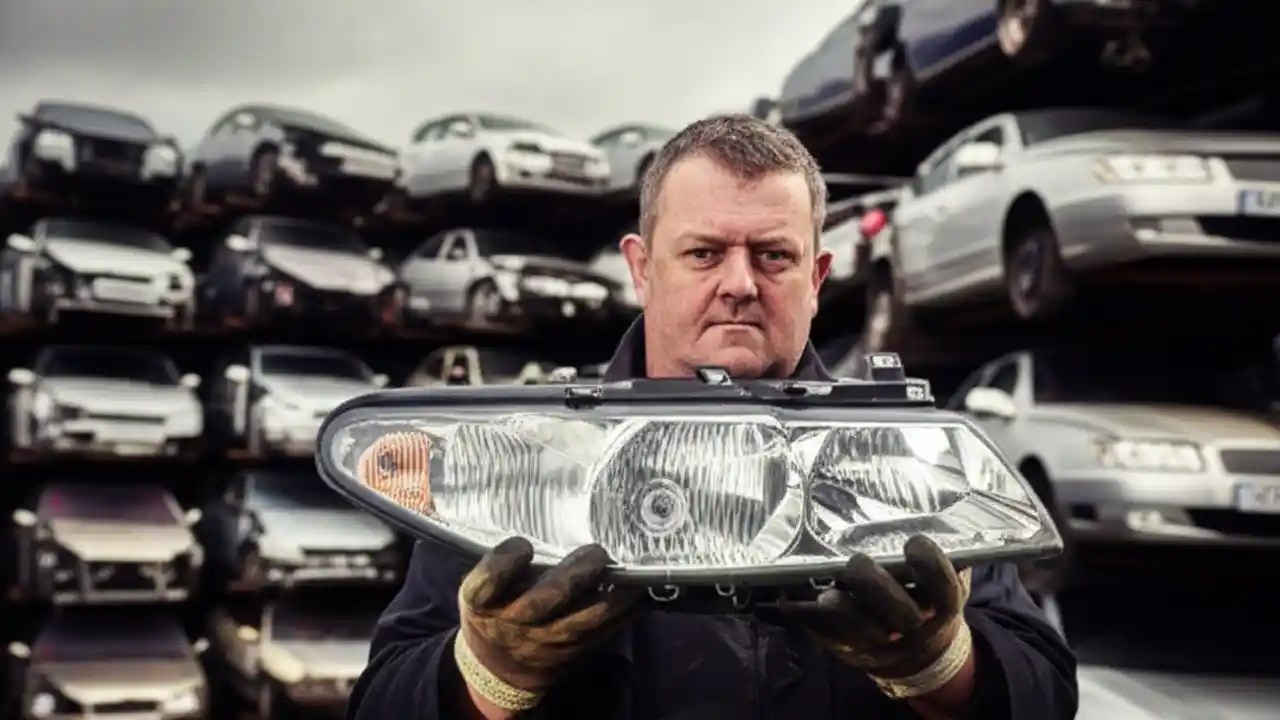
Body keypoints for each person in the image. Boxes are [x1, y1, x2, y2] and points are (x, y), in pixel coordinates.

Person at [347, 115, 1078, 719]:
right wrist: (485, 672)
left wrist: (942, 664)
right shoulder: (528, 457)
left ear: (818, 277)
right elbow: (381, 702)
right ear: (641, 268)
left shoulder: (910, 456)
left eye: (773, 256)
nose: (740, 284)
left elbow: (1047, 691)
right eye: (703, 253)